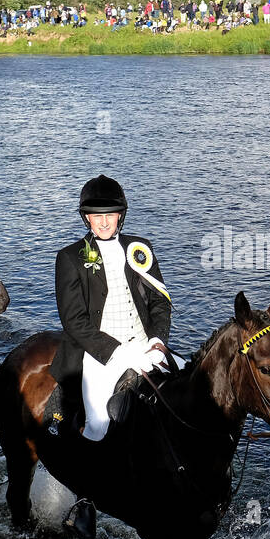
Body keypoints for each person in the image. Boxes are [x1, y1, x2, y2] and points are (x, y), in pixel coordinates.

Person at [54, 175, 173, 446]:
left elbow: (160, 302)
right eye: (97, 216)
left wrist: (156, 341)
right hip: (100, 354)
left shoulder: (140, 249)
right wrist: (116, 351)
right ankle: (90, 484)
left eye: (110, 215)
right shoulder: (70, 258)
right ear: (87, 218)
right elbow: (73, 320)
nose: (104, 222)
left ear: (121, 215)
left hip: (146, 347)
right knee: (98, 423)